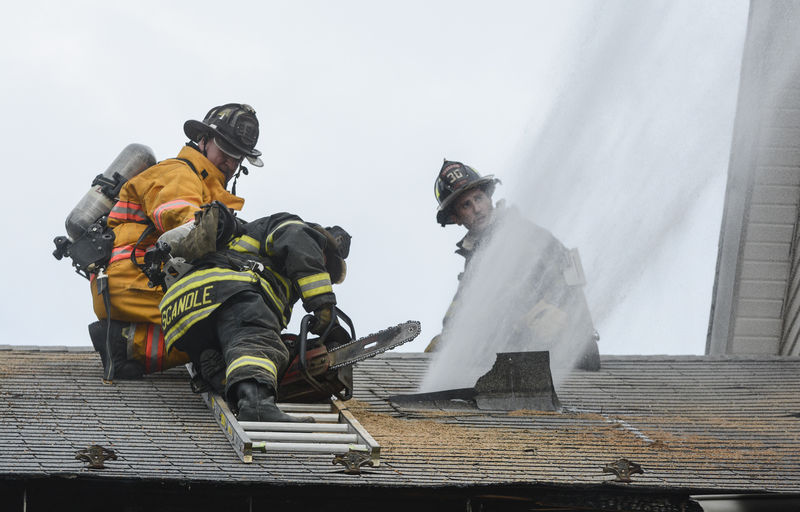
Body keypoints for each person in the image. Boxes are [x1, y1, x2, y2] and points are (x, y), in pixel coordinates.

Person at [89, 103, 264, 380]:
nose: (230, 163)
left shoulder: (207, 187)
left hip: (141, 282)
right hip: (134, 278)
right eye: (226, 151)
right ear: (203, 140)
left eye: (237, 156)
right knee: (234, 320)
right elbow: (182, 220)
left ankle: (124, 344)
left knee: (206, 338)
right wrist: (222, 226)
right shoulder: (179, 173)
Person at [152, 203, 350, 422]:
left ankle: (221, 375)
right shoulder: (296, 228)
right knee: (257, 343)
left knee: (229, 356)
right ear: (322, 248)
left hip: (180, 308)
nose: (323, 270)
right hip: (230, 289)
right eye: (325, 265)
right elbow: (300, 245)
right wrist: (322, 304)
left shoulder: (245, 239)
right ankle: (256, 404)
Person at [427, 159, 600, 371]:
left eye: (479, 198)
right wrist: (445, 340)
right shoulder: (476, 263)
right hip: (522, 357)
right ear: (455, 218)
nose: (477, 209)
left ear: (489, 198)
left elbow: (567, 284)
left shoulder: (523, 235)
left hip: (568, 350)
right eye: (466, 205)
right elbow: (460, 311)